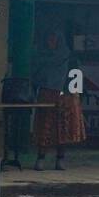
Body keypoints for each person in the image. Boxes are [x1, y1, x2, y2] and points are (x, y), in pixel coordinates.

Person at [31, 29, 85, 171]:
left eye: (54, 40)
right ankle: (41, 158)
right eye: (49, 40)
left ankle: (60, 159)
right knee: (44, 128)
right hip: (46, 97)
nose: (51, 43)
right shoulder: (41, 57)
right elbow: (36, 77)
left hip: (65, 98)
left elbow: (76, 78)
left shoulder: (69, 58)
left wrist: (73, 96)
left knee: (63, 129)